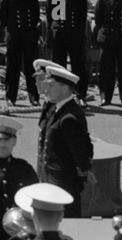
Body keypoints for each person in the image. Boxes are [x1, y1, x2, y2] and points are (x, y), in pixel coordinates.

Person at [35, 60, 94, 217]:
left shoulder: (69, 117)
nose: (47, 88)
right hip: (52, 179)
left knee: (65, 221)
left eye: (52, 85)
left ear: (65, 87)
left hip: (63, 184)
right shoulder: (57, 108)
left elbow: (81, 150)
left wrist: (84, 171)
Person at [45, 0, 91, 101]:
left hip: (75, 36)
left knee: (78, 66)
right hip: (60, 37)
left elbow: (83, 17)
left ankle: (80, 94)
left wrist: (81, 35)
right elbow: (49, 17)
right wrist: (51, 36)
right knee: (59, 66)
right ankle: (59, 94)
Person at [0, 0, 41, 107]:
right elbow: (3, 18)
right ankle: (11, 97)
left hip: (29, 36)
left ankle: (34, 96)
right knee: (13, 67)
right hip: (15, 37)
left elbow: (35, 17)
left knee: (31, 67)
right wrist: (10, 32)